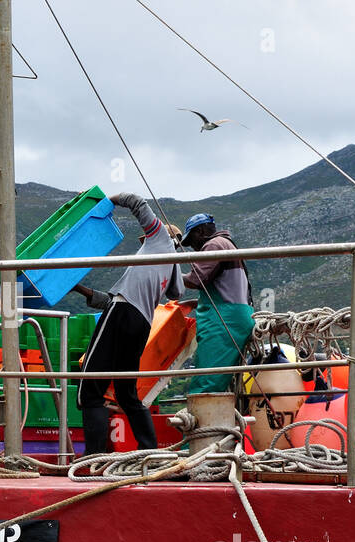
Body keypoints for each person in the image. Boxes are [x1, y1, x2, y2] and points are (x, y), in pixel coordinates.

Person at [71, 193, 185, 454]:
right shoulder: (170, 264)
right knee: (126, 393)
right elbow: (175, 293)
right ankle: (148, 449)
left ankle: (93, 457)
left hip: (123, 312)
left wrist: (106, 201)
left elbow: (136, 201)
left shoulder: (159, 240)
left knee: (90, 388)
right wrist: (81, 290)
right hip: (139, 323)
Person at [179, 213, 255, 394]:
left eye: (192, 241)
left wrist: (169, 274)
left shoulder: (213, 245)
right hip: (235, 316)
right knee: (222, 378)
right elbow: (228, 288)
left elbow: (196, 280)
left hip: (223, 321)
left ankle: (204, 420)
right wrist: (199, 302)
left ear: (201, 231)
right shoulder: (227, 244)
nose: (195, 249)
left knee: (208, 380)